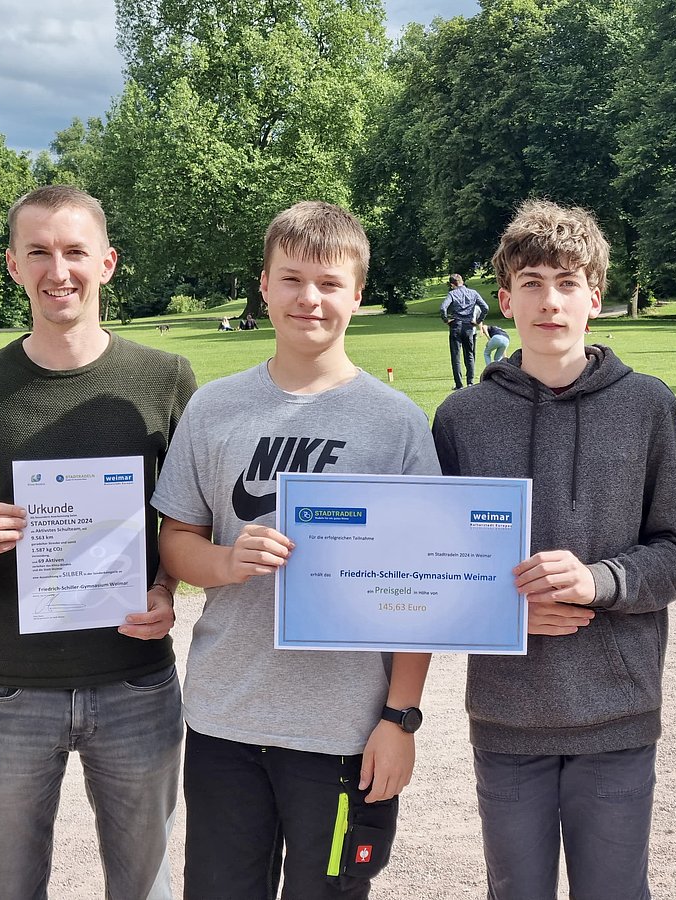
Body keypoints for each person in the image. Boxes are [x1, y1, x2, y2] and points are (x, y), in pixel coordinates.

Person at [151, 201, 439, 900]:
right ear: (264, 285)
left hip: (344, 730)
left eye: (330, 283)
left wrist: (400, 718)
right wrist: (226, 562)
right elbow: (176, 540)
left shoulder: (396, 423)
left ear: (358, 293)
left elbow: (422, 588)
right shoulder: (215, 408)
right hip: (226, 718)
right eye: (292, 279)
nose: (310, 298)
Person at [0, 185, 197, 900]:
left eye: (75, 251)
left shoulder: (164, 379)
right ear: (13, 264)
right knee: (9, 888)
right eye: (39, 252)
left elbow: (187, 517)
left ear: (107, 262)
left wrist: (166, 588)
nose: (59, 270)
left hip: (135, 680)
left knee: (144, 887)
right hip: (7, 687)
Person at [432, 200, 676, 900]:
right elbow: (436, 571)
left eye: (566, 282)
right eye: (531, 283)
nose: (549, 301)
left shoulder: (649, 406)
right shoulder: (462, 418)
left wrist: (600, 580)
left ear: (595, 296)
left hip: (616, 711)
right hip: (507, 712)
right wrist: (503, 613)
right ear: (504, 300)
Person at [440, 273, 489, 389]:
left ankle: (459, 384)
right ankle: (470, 382)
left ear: (452, 284)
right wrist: (478, 321)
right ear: (462, 281)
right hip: (469, 327)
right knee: (470, 355)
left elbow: (443, 308)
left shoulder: (452, 294)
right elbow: (485, 308)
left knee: (455, 356)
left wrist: (446, 320)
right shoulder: (473, 293)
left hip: (456, 326)